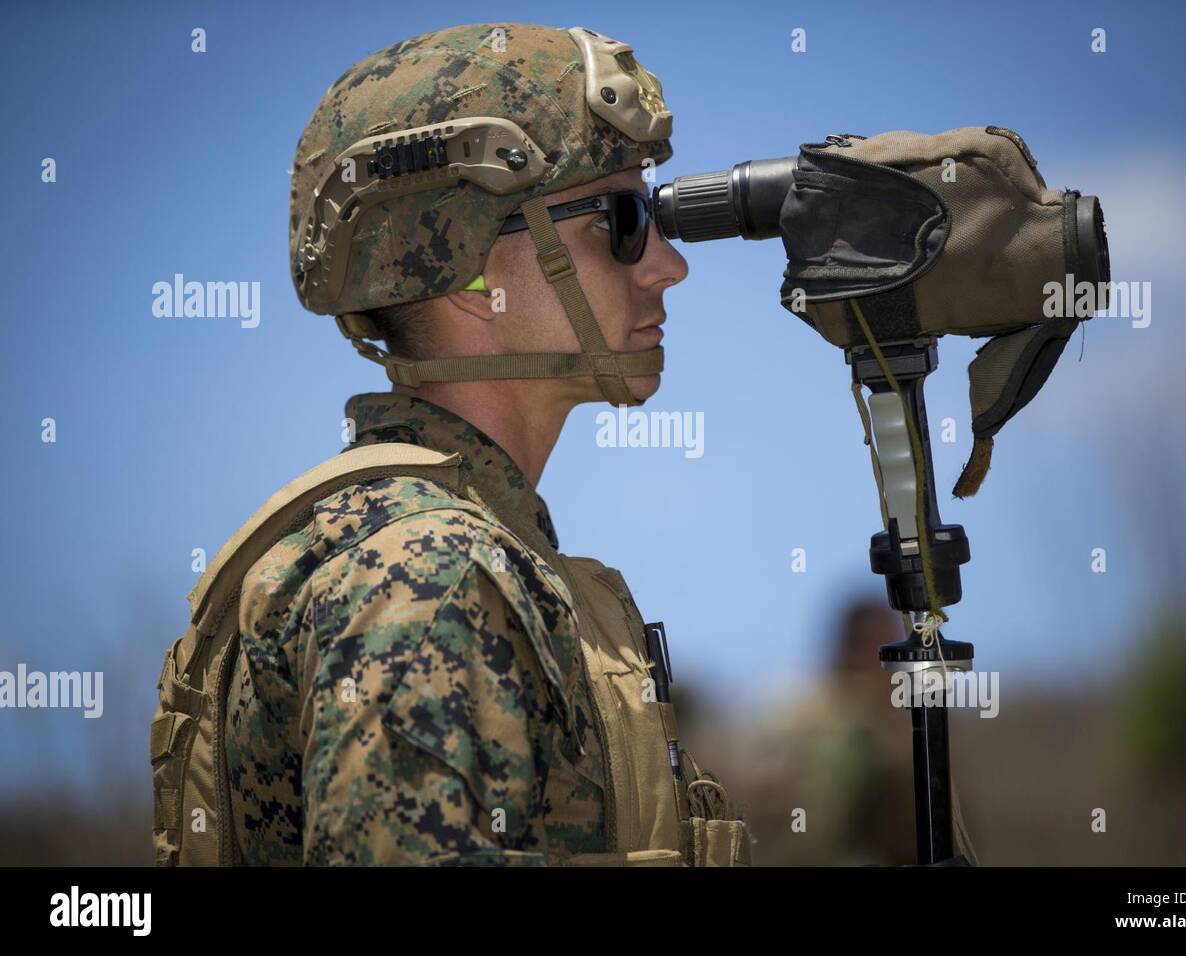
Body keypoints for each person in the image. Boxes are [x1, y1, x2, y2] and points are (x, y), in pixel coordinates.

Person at [150, 22, 752, 867]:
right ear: (470, 280)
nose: (665, 265)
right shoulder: (427, 575)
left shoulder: (461, 555)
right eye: (622, 221)